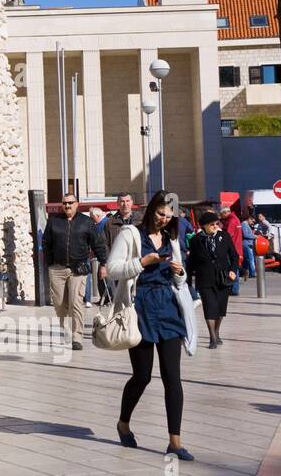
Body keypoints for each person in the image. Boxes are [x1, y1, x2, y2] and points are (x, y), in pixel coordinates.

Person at [107, 189, 193, 461]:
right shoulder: (131, 234)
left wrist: (179, 273)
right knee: (142, 375)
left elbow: (180, 278)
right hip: (140, 307)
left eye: (168, 216)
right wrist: (142, 262)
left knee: (172, 378)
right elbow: (113, 268)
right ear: (151, 209)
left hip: (167, 307)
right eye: (159, 214)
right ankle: (123, 423)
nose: (163, 220)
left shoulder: (171, 237)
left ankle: (175, 442)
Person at [42, 194, 108, 351]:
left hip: (78, 269)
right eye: (64, 203)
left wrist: (103, 264)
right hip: (57, 268)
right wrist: (50, 262)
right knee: (59, 304)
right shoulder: (53, 221)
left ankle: (77, 338)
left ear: (77, 204)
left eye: (70, 203)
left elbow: (98, 244)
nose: (67, 206)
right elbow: (46, 242)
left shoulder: (86, 222)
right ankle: (66, 331)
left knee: (75, 303)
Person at [188, 211, 238, 347]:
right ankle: (212, 337)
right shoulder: (196, 240)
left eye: (217, 223)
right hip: (204, 279)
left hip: (223, 278)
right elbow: (191, 261)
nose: (215, 226)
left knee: (221, 308)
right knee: (210, 307)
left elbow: (234, 255)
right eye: (212, 224)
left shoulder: (224, 236)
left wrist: (233, 270)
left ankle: (217, 332)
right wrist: (187, 281)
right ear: (204, 226)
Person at [102, 193, 140, 304]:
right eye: (122, 201)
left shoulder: (140, 220)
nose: (125, 204)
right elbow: (104, 244)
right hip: (119, 265)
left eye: (128, 201)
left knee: (137, 297)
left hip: (137, 263)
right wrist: (106, 263)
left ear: (132, 202)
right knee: (121, 298)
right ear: (118, 203)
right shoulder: (110, 222)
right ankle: (122, 319)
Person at [239, 205, 257, 278]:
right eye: (252, 221)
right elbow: (246, 235)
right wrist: (254, 236)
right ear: (249, 219)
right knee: (251, 259)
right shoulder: (244, 224)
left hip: (248, 244)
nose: (252, 222)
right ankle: (252, 273)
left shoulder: (246, 225)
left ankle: (244, 272)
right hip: (247, 244)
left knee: (247, 260)